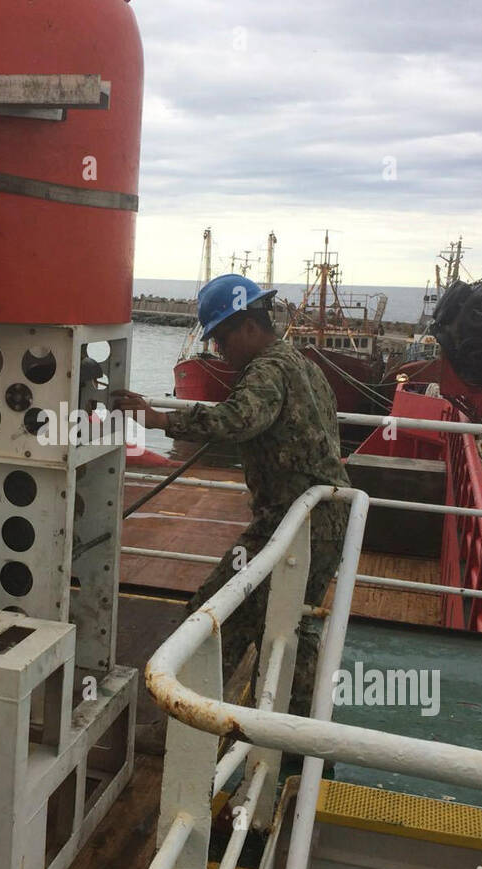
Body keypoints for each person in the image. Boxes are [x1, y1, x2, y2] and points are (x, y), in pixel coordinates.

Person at [112, 274, 350, 747]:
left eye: (220, 338)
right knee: (286, 625)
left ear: (246, 327)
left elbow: (240, 418)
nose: (219, 351)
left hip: (292, 524)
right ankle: (293, 743)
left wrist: (159, 419)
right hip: (317, 519)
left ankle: (191, 732)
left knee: (211, 618)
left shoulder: (267, 369)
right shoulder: (302, 364)